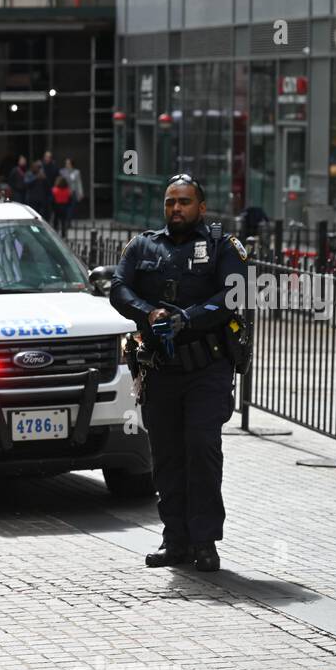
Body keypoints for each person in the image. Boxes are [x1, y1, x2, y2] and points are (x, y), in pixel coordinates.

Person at [110, 174, 249, 573]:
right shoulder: (143, 245)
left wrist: (185, 319)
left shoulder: (224, 246)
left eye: (185, 202)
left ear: (201, 208)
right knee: (168, 457)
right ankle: (175, 541)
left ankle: (205, 542)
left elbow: (235, 294)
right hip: (160, 369)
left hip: (208, 368)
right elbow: (119, 288)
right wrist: (148, 313)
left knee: (202, 452)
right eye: (170, 202)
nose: (176, 209)